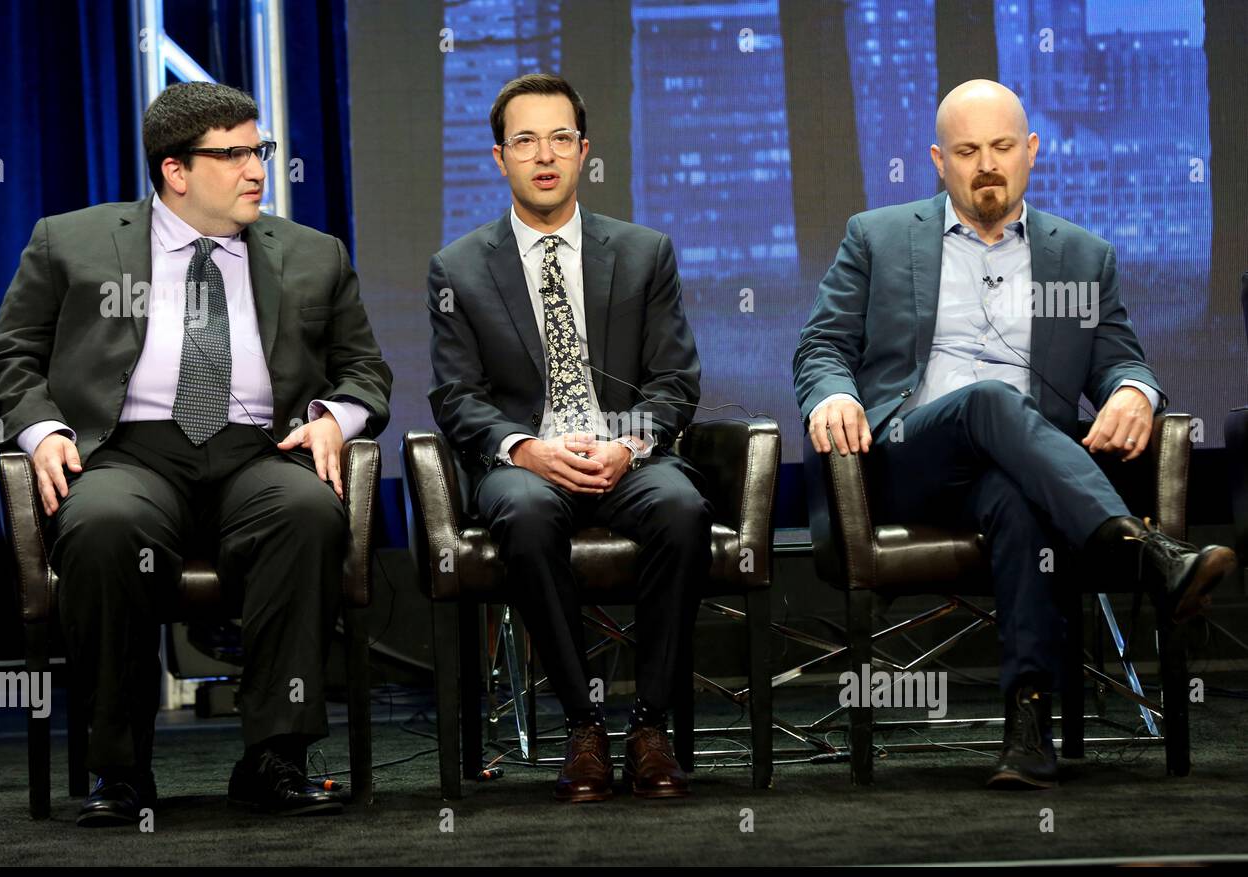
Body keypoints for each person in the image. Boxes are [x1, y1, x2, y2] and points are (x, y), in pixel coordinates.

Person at [794, 79, 1235, 789]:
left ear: (1031, 151)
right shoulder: (876, 237)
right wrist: (834, 394)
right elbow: (821, 346)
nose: (986, 164)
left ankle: (1028, 731)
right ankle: (1141, 548)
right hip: (905, 461)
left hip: (1019, 473)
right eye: (967, 151)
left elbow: (1121, 357)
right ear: (940, 161)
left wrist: (1133, 389)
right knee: (989, 401)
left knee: (1017, 501)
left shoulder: (1082, 257)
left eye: (1002, 147)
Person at [0, 81, 393, 824]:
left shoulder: (312, 254)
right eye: (233, 155)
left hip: (256, 454)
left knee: (307, 512)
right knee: (102, 527)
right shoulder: (68, 241)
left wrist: (335, 416)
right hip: (128, 454)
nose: (258, 170)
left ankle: (275, 758)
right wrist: (44, 432)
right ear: (175, 170)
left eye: (258, 150)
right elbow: (9, 359)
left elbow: (366, 370)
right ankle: (119, 771)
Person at [427, 74, 711, 801]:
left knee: (682, 509)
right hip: (526, 460)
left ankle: (650, 725)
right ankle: (583, 725)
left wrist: (627, 444)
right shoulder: (458, 267)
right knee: (523, 511)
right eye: (525, 141)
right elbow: (457, 397)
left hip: (626, 451)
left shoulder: (644, 252)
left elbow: (675, 380)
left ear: (583, 151)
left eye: (560, 138)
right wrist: (526, 449)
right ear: (500, 158)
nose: (543, 155)